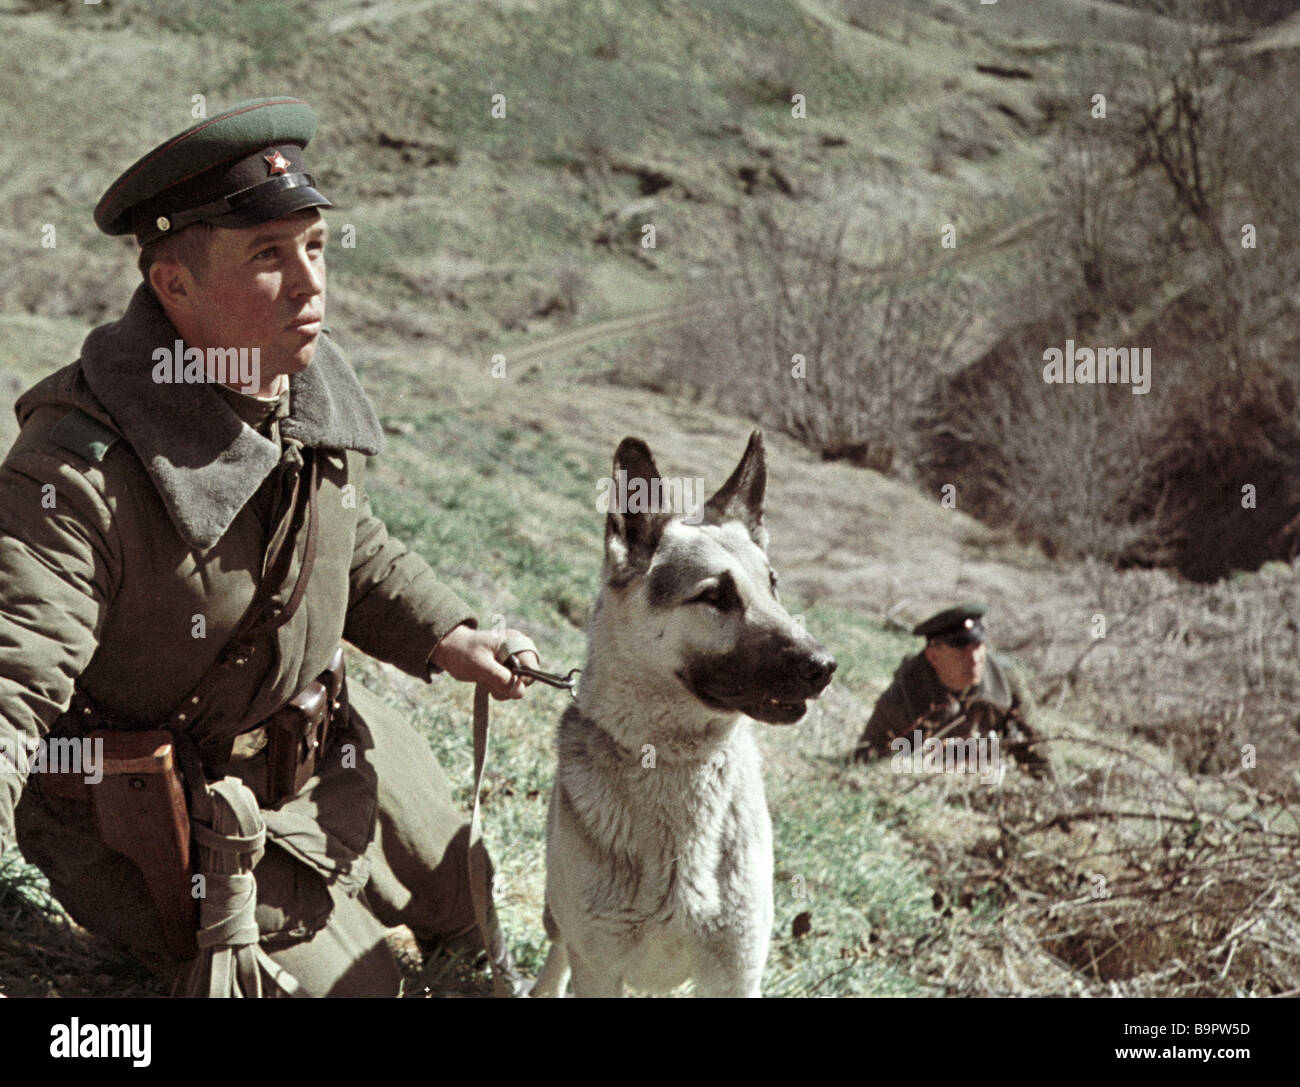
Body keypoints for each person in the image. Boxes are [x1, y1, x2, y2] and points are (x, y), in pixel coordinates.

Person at [0, 97, 541, 996]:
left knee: (475, 910)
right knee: (375, 990)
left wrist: (450, 632)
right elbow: (13, 670)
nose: (309, 284)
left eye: (315, 247)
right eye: (267, 256)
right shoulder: (74, 471)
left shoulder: (291, 376)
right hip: (177, 821)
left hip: (319, 741)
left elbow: (343, 543)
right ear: (173, 287)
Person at [852, 604, 1050, 777]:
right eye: (961, 650)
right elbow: (865, 758)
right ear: (933, 656)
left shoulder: (1006, 683)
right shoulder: (904, 696)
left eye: (978, 646)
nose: (974, 658)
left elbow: (1036, 752)